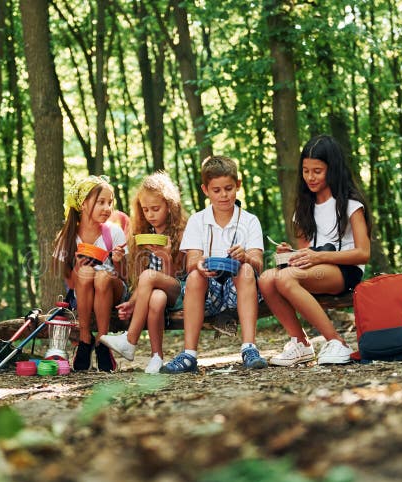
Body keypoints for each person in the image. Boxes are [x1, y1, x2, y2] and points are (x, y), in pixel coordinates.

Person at [258, 135, 371, 366]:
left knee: (286, 278)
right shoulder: (303, 209)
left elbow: (363, 253)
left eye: (317, 171)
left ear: (333, 170)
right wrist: (289, 253)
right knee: (267, 278)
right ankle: (300, 343)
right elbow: (305, 253)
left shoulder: (351, 205)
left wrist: (317, 256)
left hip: (346, 270)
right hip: (317, 269)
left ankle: (337, 342)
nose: (310, 177)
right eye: (306, 171)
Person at [159, 155, 268, 374]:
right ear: (205, 190)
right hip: (206, 293)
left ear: (238, 185)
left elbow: (258, 263)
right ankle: (189, 354)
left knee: (245, 269)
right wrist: (199, 265)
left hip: (240, 291)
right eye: (216, 190)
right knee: (194, 276)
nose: (223, 195)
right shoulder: (198, 220)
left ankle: (249, 347)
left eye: (228, 188)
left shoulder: (249, 220)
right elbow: (191, 262)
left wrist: (245, 256)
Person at [99, 172, 188, 373]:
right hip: (155, 293)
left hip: (180, 290)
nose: (150, 215)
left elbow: (178, 276)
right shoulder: (141, 235)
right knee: (155, 296)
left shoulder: (182, 232)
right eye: (145, 210)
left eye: (155, 209)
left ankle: (130, 340)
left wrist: (166, 257)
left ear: (170, 205)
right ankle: (156, 357)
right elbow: (140, 280)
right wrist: (119, 261)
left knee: (151, 277)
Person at [52, 175, 128, 372]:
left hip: (113, 289)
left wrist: (119, 261)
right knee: (85, 272)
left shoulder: (114, 232)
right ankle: (86, 339)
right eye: (101, 202)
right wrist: (77, 269)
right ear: (83, 204)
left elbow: (126, 276)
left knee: (102, 276)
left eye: (110, 202)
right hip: (83, 292)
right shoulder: (67, 237)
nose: (107, 208)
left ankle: (103, 341)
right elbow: (69, 281)